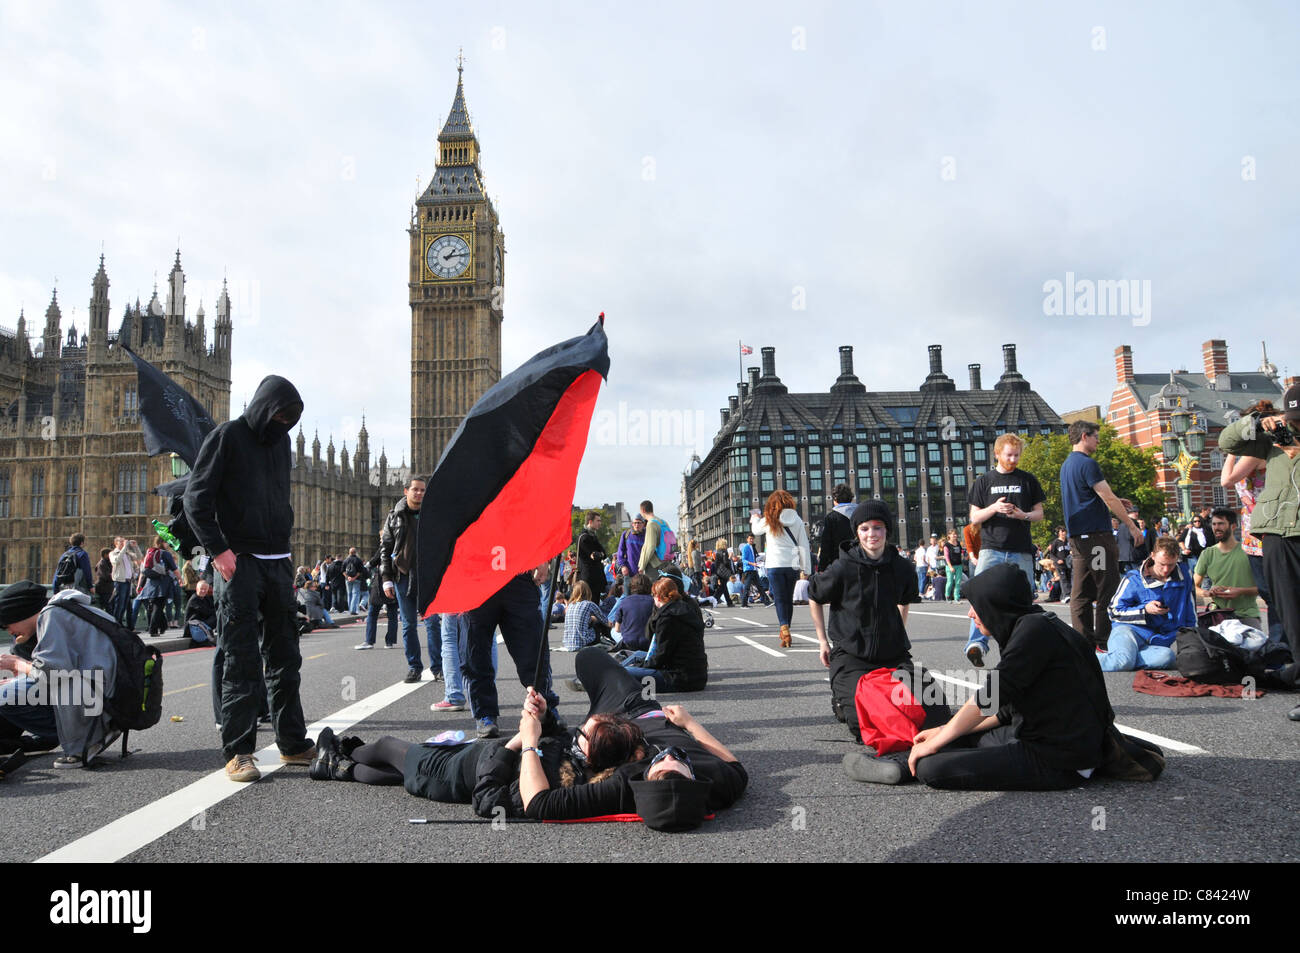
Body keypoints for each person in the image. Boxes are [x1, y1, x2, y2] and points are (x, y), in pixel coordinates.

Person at [184, 374, 316, 782]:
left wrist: (286, 551)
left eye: (289, 417)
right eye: (278, 413)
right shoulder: (227, 437)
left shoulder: (283, 443)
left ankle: (292, 742)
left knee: (285, 656)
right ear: (262, 406)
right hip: (238, 561)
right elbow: (196, 498)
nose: (283, 422)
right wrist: (219, 550)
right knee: (240, 659)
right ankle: (238, 751)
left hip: (277, 562)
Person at [905, 563, 1111, 790]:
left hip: (1060, 759)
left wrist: (936, 743)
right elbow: (1005, 708)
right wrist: (944, 731)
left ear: (997, 604)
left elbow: (989, 698)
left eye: (977, 606)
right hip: (1050, 738)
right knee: (956, 736)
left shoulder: (1033, 633)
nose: (970, 613)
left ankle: (916, 762)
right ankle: (922, 754)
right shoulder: (1034, 623)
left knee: (932, 768)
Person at [809, 500, 946, 743]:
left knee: (937, 715)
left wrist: (897, 632)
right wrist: (822, 641)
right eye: (864, 528)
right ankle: (842, 702)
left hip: (893, 656)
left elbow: (904, 600)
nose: (871, 534)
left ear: (887, 531)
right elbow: (814, 595)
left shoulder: (902, 568)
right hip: (852, 657)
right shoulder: (842, 567)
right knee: (864, 725)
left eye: (878, 527)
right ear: (857, 532)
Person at [0, 582, 119, 767]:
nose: (9, 631)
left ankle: (86, 738)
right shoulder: (65, 610)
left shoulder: (52, 616)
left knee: (5, 695)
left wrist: (16, 663)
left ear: (21, 612)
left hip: (97, 699)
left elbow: (52, 674)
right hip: (107, 693)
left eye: (7, 624)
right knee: (14, 686)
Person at [964, 432, 1046, 665]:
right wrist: (994, 508)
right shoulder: (983, 482)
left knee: (1023, 600)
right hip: (991, 548)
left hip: (1020, 549)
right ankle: (977, 644)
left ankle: (1021, 647)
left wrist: (1023, 515)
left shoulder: (1028, 480)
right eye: (1009, 455)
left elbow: (1039, 514)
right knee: (980, 597)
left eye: (1017, 455)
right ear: (998, 454)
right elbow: (974, 518)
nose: (1013, 459)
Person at [1059, 420, 1143, 649]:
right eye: (1096, 436)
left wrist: (1113, 500)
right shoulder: (1088, 463)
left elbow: (1086, 495)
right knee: (1107, 587)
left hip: (1078, 538)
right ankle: (1103, 641)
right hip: (1096, 538)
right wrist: (1132, 525)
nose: (1098, 441)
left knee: (1082, 592)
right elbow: (1107, 496)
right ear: (1085, 436)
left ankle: (1083, 642)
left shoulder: (1067, 464)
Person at [461, 564, 561, 739]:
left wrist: (543, 559)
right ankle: (485, 714)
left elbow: (534, 533)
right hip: (475, 574)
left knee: (533, 651)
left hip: (517, 570)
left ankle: (544, 707)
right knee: (475, 654)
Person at [1097, 537, 1196, 671]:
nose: (1166, 570)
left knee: (1168, 657)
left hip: (1157, 640)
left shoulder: (1185, 575)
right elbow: (1113, 611)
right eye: (1162, 564)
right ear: (1153, 556)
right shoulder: (1133, 578)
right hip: (1128, 630)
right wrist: (1145, 610)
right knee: (1123, 662)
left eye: (1171, 565)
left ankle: (1123, 656)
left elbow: (1191, 611)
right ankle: (1081, 658)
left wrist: (1195, 641)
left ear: (1177, 558)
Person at [379, 475, 442, 684]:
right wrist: (386, 578)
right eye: (415, 489)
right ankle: (414, 667)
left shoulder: (433, 513)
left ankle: (438, 667)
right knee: (408, 625)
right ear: (406, 491)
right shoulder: (394, 516)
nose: (419, 493)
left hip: (427, 575)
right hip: (403, 575)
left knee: (432, 622)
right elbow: (386, 549)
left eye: (423, 490)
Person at [1222, 447, 1286, 646]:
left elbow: (1226, 480)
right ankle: (1280, 641)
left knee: (1273, 592)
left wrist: (1231, 453)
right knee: (1269, 591)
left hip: (1266, 530)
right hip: (1253, 532)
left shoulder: (1255, 454)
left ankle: (1280, 642)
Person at [621, 576, 708, 693]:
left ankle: (607, 678)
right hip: (697, 675)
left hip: (678, 678)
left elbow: (660, 657)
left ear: (657, 596)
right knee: (638, 655)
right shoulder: (685, 609)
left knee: (625, 672)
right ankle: (610, 674)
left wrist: (639, 666)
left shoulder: (667, 618)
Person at [750, 490, 811, 647]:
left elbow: (756, 531)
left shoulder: (770, 518)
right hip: (792, 564)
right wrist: (806, 568)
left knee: (779, 599)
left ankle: (784, 628)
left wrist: (755, 518)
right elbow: (803, 543)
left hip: (775, 564)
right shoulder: (796, 519)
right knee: (788, 599)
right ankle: (786, 630)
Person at [1194, 508, 1261, 627]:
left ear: (1233, 526)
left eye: (1221, 524)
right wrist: (1207, 592)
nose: (1216, 527)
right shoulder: (1207, 554)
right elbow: (1194, 586)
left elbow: (1264, 588)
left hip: (1247, 616)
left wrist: (1240, 591)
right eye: (1214, 524)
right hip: (1218, 616)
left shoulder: (1249, 551)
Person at [137, 537, 178, 636]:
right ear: (162, 543)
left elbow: (144, 571)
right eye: (166, 542)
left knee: (155, 607)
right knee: (158, 607)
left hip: (150, 584)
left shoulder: (150, 552)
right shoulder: (166, 553)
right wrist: (180, 579)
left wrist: (140, 585)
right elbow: (174, 569)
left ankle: (162, 626)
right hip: (163, 583)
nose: (167, 544)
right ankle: (153, 630)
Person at [562, 580, 610, 652]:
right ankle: (607, 640)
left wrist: (592, 618)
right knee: (598, 623)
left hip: (568, 643)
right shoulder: (589, 604)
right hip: (583, 642)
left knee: (592, 620)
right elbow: (605, 620)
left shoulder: (570, 605)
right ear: (588, 592)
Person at [818, 484, 856, 571]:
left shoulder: (831, 518)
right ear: (850, 498)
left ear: (835, 500)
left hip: (837, 564)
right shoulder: (859, 515)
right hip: (857, 562)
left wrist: (822, 568)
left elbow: (826, 545)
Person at [109, 537, 142, 631]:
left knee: (125, 605)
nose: (123, 543)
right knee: (119, 604)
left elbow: (139, 557)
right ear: (116, 543)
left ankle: (122, 625)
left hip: (128, 581)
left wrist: (136, 547)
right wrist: (124, 547)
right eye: (121, 541)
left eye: (124, 541)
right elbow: (116, 561)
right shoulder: (113, 553)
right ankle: (116, 624)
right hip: (120, 581)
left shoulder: (127, 554)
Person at [575, 511, 609, 601]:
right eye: (598, 521)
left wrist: (600, 554)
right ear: (590, 522)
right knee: (589, 602)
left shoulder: (593, 536)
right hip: (588, 579)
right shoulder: (584, 537)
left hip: (595, 578)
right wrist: (599, 554)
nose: (600, 523)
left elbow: (604, 554)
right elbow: (594, 555)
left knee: (595, 603)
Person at [738, 533, 771, 609]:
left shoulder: (752, 547)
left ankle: (767, 602)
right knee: (747, 587)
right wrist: (752, 563)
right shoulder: (745, 547)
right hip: (748, 570)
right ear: (747, 539)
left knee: (759, 586)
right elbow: (744, 560)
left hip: (754, 569)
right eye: (750, 539)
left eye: (752, 539)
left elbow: (755, 557)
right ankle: (744, 604)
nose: (751, 540)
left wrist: (758, 561)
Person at [184, 579, 217, 645]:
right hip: (193, 625)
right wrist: (214, 611)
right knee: (215, 616)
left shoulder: (206, 598)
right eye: (201, 589)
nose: (203, 591)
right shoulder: (194, 599)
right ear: (196, 589)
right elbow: (205, 611)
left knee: (217, 616)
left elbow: (213, 609)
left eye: (205, 589)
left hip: (202, 623)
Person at [1047, 525, 1072, 602]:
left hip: (1068, 563)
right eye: (1062, 531)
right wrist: (1057, 560)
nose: (1064, 533)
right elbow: (1051, 554)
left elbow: (1071, 550)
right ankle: (1067, 595)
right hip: (1059, 564)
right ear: (1058, 533)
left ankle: (1063, 597)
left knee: (1068, 579)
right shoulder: (1055, 542)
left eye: (1065, 531)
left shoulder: (1068, 541)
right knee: (1063, 579)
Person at [711, 538, 735, 608]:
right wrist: (730, 557)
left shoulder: (718, 552)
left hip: (719, 571)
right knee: (722, 588)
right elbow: (726, 562)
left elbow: (716, 564)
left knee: (724, 587)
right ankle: (713, 600)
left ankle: (729, 602)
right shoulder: (724, 552)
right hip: (724, 572)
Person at [942, 529, 964, 603]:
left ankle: (957, 598)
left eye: (955, 534)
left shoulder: (958, 543)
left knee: (958, 582)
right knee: (950, 582)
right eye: (953, 534)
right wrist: (950, 567)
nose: (955, 535)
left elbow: (961, 551)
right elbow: (946, 557)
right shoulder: (946, 545)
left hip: (959, 565)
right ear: (949, 536)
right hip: (950, 566)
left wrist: (963, 555)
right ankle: (947, 596)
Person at [342, 547, 365, 614]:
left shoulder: (345, 560)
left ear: (349, 553)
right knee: (355, 594)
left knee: (349, 594)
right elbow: (360, 571)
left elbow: (342, 571)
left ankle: (350, 610)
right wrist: (354, 577)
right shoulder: (358, 560)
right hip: (356, 579)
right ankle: (353, 610)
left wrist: (348, 577)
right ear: (355, 552)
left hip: (347, 580)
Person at [93, 548, 115, 612]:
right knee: (108, 607)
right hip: (104, 589)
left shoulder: (108, 563)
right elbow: (106, 576)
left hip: (109, 589)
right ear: (105, 555)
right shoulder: (102, 564)